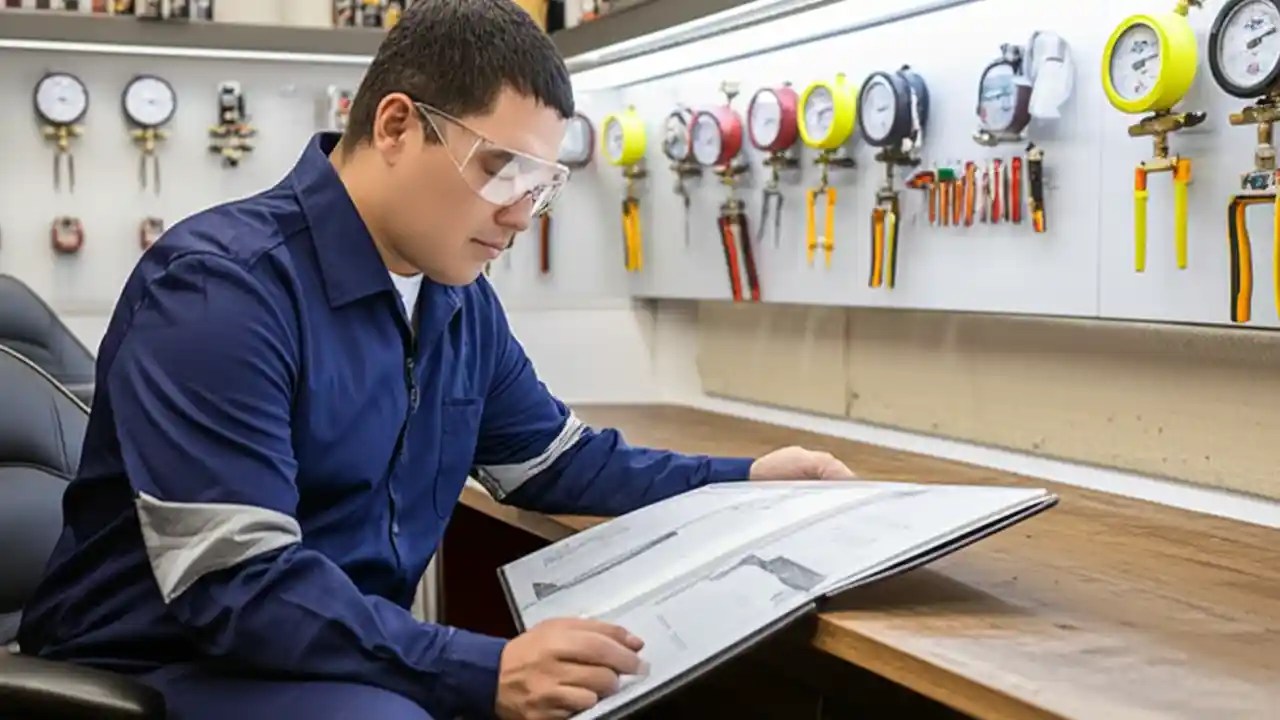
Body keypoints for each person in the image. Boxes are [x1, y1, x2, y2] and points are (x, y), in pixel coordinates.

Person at [17, 1, 855, 718]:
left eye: (541, 184)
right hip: (161, 656)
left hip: (317, 648)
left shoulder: (454, 298)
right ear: (395, 124)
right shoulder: (219, 292)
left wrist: (745, 482)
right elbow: (237, 587)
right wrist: (481, 667)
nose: (521, 216)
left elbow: (555, 467)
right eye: (501, 170)